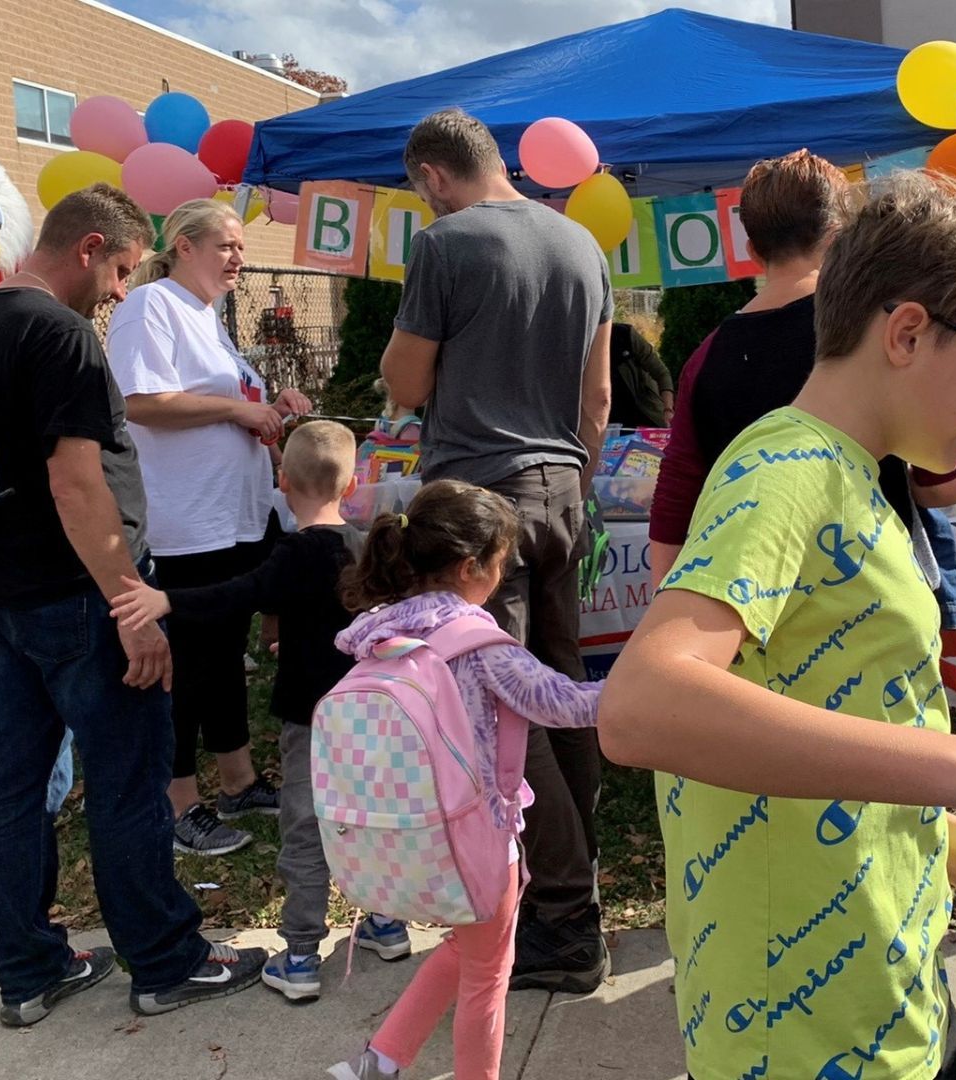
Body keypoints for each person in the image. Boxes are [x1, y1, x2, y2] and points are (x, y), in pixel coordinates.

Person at [600, 172, 956, 1080]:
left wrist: (949, 848)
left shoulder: (848, 473)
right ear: (907, 332)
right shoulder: (787, 469)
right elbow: (640, 708)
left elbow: (821, 725)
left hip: (882, 989)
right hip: (806, 1037)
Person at [0, 184, 265, 1027]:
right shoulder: (57, 333)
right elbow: (74, 479)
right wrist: (131, 601)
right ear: (90, 247)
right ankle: (165, 961)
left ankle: (28, 967)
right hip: (83, 599)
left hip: (0, 593)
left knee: (13, 786)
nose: (125, 292)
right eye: (124, 270)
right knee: (128, 782)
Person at [380, 107, 613, 992]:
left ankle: (564, 917)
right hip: (561, 488)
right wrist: (571, 484)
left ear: (434, 176)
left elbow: (405, 382)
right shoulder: (582, 245)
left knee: (513, 704)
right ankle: (576, 885)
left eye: (419, 191)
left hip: (482, 499)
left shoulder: (447, 246)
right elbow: (596, 400)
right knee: (562, 691)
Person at [109, 421, 412, 996]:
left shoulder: (293, 553)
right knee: (369, 818)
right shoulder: (366, 547)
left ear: (282, 481)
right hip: (371, 718)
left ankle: (300, 955)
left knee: (305, 825)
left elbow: (238, 594)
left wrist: (165, 597)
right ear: (351, 488)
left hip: (310, 720)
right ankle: (386, 922)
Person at [326, 479, 604, 1080]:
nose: (502, 579)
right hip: (477, 837)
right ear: (472, 565)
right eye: (501, 565)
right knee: (488, 974)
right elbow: (567, 706)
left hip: (412, 829)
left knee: (467, 947)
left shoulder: (380, 634)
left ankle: (380, 1060)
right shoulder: (480, 645)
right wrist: (645, 689)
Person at [644, 150, 956, 609]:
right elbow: (943, 485)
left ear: (753, 248)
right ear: (840, 236)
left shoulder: (705, 358)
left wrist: (671, 613)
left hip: (766, 605)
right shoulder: (881, 329)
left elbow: (676, 499)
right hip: (878, 595)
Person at [105, 198, 313, 857]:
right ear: (183, 246)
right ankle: (178, 802)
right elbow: (141, 402)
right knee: (191, 664)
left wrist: (268, 408)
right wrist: (235, 410)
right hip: (186, 521)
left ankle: (239, 780)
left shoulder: (207, 316)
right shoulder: (152, 306)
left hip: (235, 516)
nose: (237, 258)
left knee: (223, 653)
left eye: (241, 247)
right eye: (224, 245)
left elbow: (224, 404)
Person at [607, 320, 673, 429]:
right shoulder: (576, 343)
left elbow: (662, 374)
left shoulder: (624, 334)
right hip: (607, 424)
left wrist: (668, 409)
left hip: (644, 415)